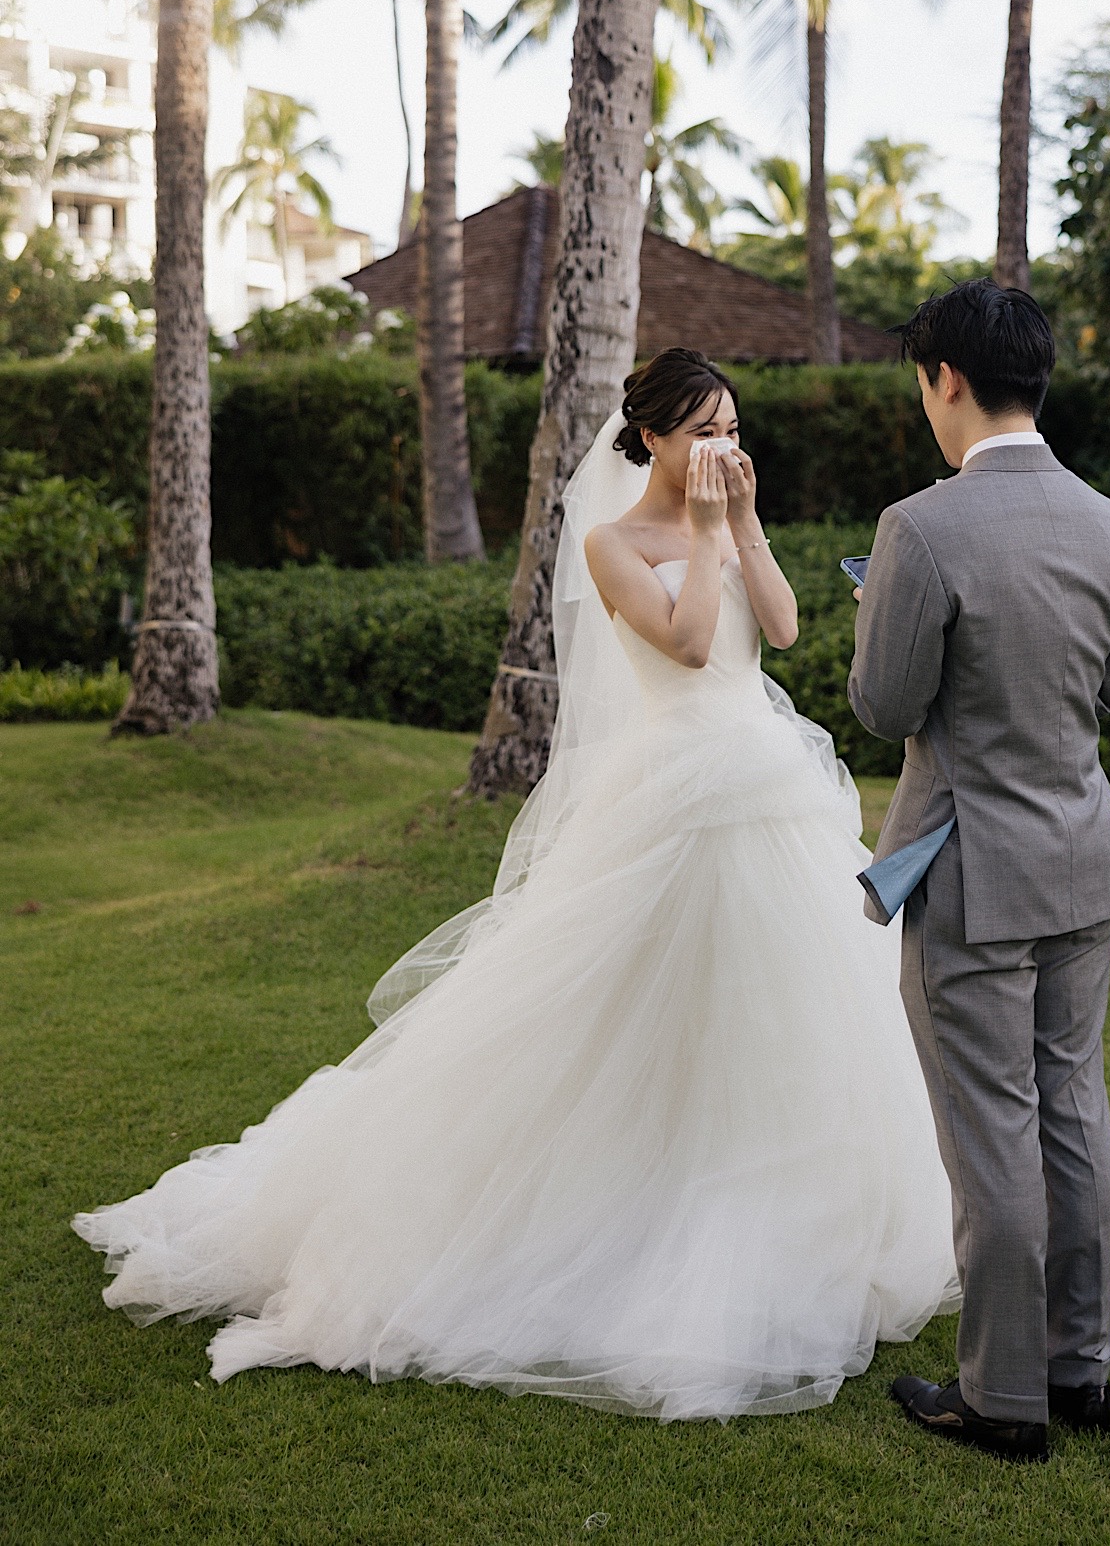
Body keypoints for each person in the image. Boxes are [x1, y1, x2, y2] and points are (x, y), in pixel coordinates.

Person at [74, 348, 957, 1419]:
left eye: (732, 427)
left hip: (764, 784)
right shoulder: (611, 542)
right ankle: (608, 1205)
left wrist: (745, 523)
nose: (722, 447)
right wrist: (709, 532)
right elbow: (687, 646)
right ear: (650, 438)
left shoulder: (729, 517)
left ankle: (763, 1202)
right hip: (671, 792)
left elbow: (781, 628)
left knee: (776, 1012)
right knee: (631, 1010)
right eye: (702, 431)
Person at [848, 281, 1110, 1465]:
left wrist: (882, 614)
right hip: (1083, 855)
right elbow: (1103, 689)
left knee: (992, 1136)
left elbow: (885, 707)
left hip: (974, 870)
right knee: (1073, 1109)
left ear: (949, 381)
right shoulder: (1107, 520)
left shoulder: (921, 530)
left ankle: (1003, 1397)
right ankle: (1081, 1372)